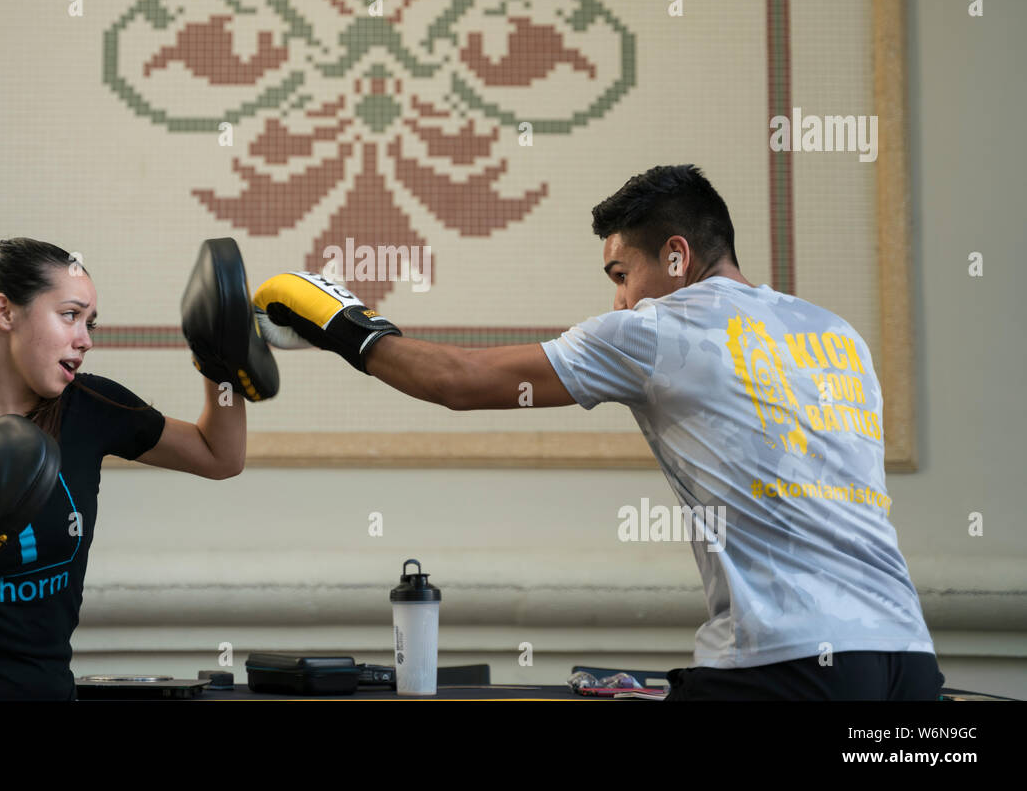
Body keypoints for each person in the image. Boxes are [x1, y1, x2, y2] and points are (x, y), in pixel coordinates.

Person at [252, 164, 944, 700]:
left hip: (787, 664)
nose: (617, 297)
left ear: (676, 255)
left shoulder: (658, 329)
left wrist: (340, 323)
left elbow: (459, 381)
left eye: (622, 273)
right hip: (909, 664)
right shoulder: (838, 334)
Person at [0, 237, 248, 699]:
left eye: (90, 323)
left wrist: (220, 361)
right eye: (70, 315)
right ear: (5, 312)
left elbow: (220, 456)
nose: (86, 340)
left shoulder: (91, 407)